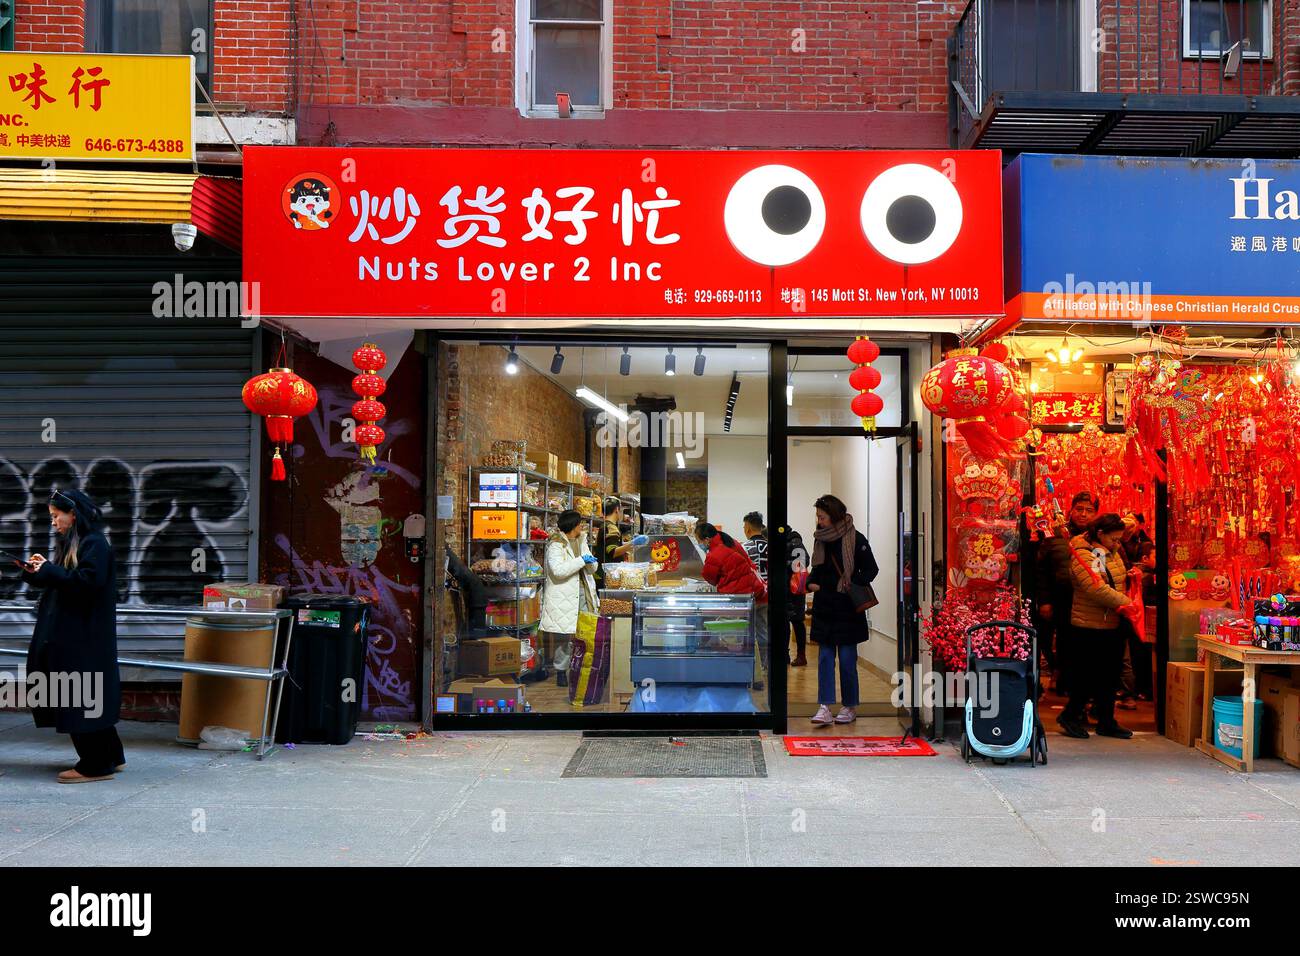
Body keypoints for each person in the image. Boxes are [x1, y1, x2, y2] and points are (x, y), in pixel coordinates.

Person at [20, 488, 123, 783]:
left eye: (56, 516)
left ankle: (94, 765)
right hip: (76, 634)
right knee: (86, 695)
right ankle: (111, 756)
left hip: (83, 637)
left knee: (78, 696)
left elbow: (86, 583)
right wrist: (35, 571)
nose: (53, 522)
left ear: (73, 514)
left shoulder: (94, 544)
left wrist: (49, 569)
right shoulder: (76, 543)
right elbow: (63, 581)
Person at [1060, 512, 1136, 740]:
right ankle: (1070, 716)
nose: (1117, 543)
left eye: (1119, 539)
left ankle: (1106, 720)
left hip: (1111, 622)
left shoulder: (1110, 551)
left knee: (1109, 676)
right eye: (1113, 538)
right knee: (1087, 676)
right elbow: (1095, 588)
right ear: (1100, 534)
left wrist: (1132, 578)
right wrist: (1127, 603)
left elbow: (1114, 580)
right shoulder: (1088, 555)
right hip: (1090, 624)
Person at [805, 494, 878, 726]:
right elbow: (816, 570)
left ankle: (849, 705)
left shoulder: (856, 539)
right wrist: (810, 583)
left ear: (834, 516)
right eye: (818, 516)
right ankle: (824, 706)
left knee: (847, 660)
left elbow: (871, 570)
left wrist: (850, 583)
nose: (819, 521)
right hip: (825, 607)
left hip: (847, 609)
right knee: (825, 659)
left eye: (822, 517)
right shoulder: (820, 540)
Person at [1036, 491, 1099, 696]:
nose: (1083, 514)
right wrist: (1044, 600)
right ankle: (1060, 676)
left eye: (1089, 510)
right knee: (1054, 640)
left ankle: (1073, 685)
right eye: (1079, 509)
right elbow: (1041, 571)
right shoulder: (1054, 535)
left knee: (1081, 645)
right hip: (1058, 599)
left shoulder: (1099, 538)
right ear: (1070, 511)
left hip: (1089, 602)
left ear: (1095, 513)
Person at [696, 521, 769, 681]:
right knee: (757, 633)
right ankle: (760, 671)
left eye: (699, 541)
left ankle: (733, 672)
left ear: (706, 539)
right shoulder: (731, 541)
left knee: (731, 635)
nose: (699, 544)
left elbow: (709, 577)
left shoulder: (715, 553)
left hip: (737, 598)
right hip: (755, 592)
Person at [540, 510, 597, 688]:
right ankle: (561, 671)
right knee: (564, 637)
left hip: (583, 592)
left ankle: (583, 668)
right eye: (580, 523)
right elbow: (558, 571)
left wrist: (590, 562)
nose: (582, 526)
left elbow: (592, 568)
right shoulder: (556, 545)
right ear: (573, 525)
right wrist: (581, 560)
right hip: (563, 595)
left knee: (586, 631)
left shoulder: (582, 540)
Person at [595, 498, 646, 588]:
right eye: (621, 510)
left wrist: (627, 543)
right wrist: (633, 543)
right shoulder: (611, 527)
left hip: (602, 572)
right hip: (607, 574)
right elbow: (613, 552)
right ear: (617, 510)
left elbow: (610, 546)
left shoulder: (605, 525)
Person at [787, 528, 809, 667]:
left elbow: (803, 561)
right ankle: (785, 655)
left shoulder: (794, 540)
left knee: (797, 622)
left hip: (794, 588)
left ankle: (801, 655)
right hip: (787, 588)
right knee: (786, 623)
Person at [741, 511, 769, 586]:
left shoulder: (745, 547)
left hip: (754, 590)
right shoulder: (772, 546)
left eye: (744, 527)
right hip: (771, 591)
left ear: (748, 529)